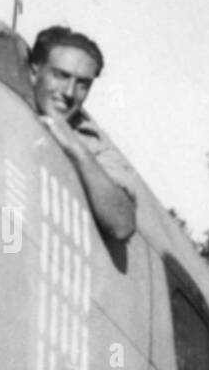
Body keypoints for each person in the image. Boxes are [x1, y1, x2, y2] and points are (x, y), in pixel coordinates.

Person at [28, 25, 136, 243]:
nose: (69, 92)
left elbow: (122, 225)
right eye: (61, 75)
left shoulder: (94, 141)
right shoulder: (2, 87)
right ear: (34, 72)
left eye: (82, 85)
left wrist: (74, 146)